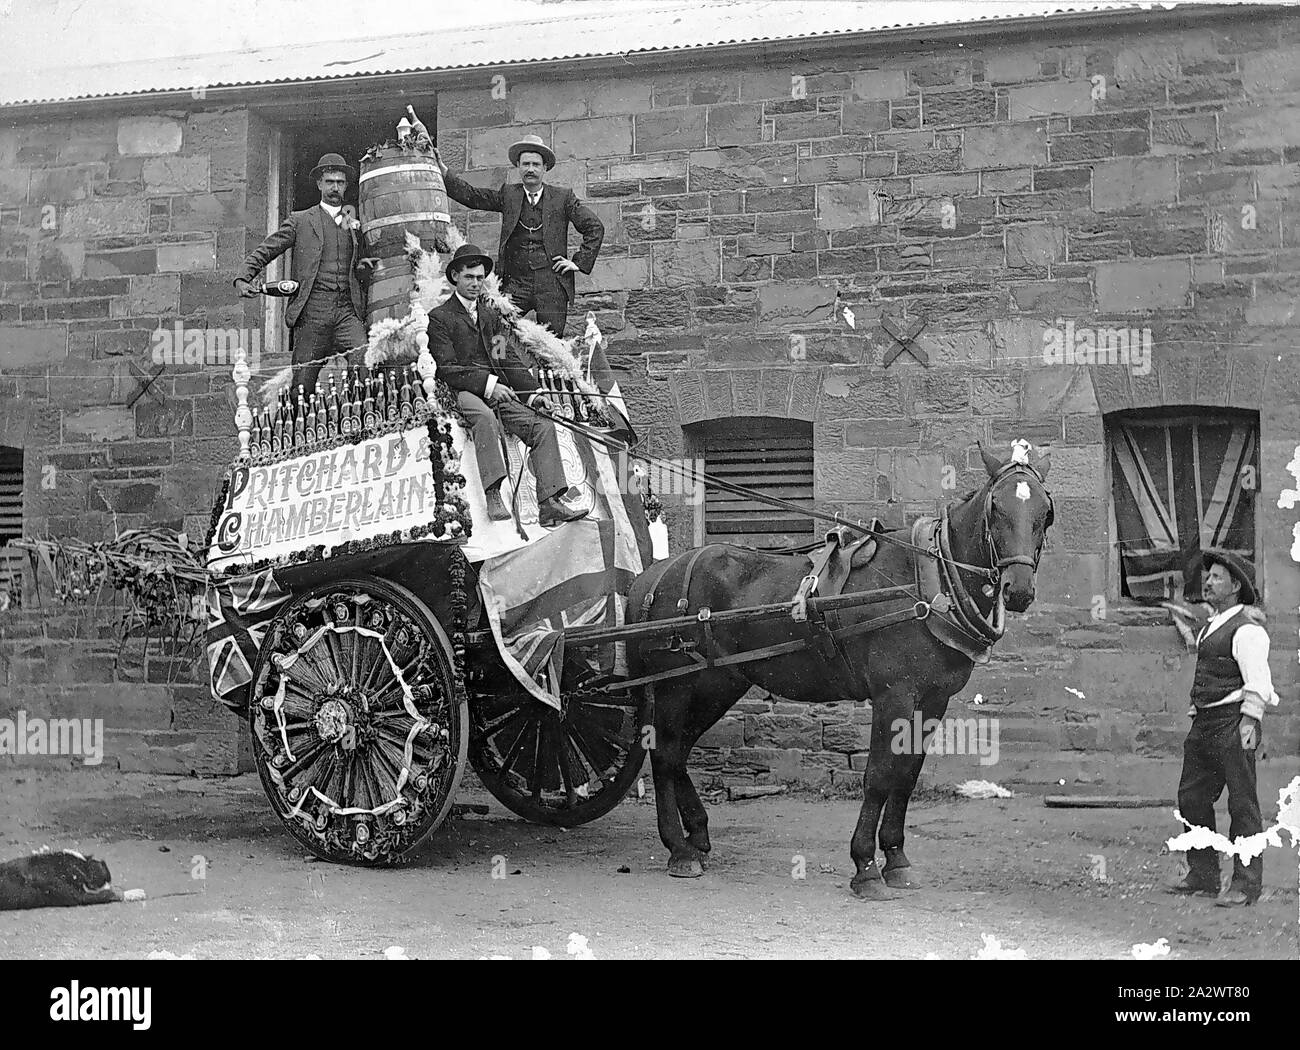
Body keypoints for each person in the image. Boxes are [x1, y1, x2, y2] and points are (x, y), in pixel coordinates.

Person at [427, 244, 588, 528]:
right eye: (469, 277)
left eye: (479, 278)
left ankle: (549, 503)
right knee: (485, 418)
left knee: (542, 425)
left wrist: (534, 395)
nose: (475, 283)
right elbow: (448, 368)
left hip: (498, 391)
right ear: (455, 276)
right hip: (463, 392)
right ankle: (493, 493)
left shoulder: (489, 316)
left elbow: (506, 358)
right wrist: (489, 385)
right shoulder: (440, 318)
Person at [1168, 550, 1279, 907]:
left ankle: (1246, 885)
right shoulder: (1213, 626)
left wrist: (1249, 723)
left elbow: (1258, 682)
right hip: (1205, 723)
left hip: (1234, 722)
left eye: (1217, 577)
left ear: (1235, 586)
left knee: (1242, 805)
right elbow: (1211, 673)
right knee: (1192, 798)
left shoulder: (1248, 629)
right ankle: (1203, 875)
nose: (1209, 582)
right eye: (1209, 576)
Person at [234, 153, 378, 397]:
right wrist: (243, 277)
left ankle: (361, 428)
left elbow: (364, 260)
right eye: (330, 182)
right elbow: (269, 248)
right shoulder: (301, 220)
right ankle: (296, 431)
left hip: (346, 310)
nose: (335, 187)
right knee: (302, 383)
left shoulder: (352, 222)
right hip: (313, 312)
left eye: (340, 183)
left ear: (345, 186)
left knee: (363, 360)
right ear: (319, 184)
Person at [432, 135, 603, 337]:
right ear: (518, 167)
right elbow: (474, 196)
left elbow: (594, 227)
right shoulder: (509, 195)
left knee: (552, 343)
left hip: (551, 286)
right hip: (515, 284)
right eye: (526, 164)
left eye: (536, 164)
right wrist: (444, 171)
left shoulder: (562, 197)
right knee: (500, 334)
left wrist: (578, 262)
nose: (530, 169)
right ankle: (500, 370)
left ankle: (550, 371)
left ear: (545, 168)